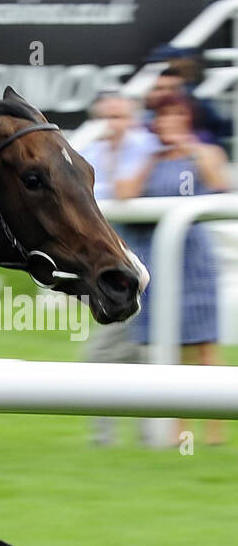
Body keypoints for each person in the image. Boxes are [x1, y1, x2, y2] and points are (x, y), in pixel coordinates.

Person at [115, 94, 228, 445]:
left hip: (193, 260)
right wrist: (151, 159)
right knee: (172, 350)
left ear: (188, 119)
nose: (169, 123)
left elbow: (222, 184)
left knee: (204, 348)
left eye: (177, 115)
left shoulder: (206, 153)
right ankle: (181, 433)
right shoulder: (149, 159)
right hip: (159, 261)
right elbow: (124, 193)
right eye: (164, 117)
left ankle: (216, 429)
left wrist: (189, 148)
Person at [70, 93, 158, 445]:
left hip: (140, 258)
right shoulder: (93, 152)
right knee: (135, 354)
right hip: (116, 263)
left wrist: (117, 150)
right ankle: (140, 439)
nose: (112, 125)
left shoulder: (143, 145)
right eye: (107, 117)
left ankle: (110, 439)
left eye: (119, 117)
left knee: (107, 354)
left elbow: (122, 192)